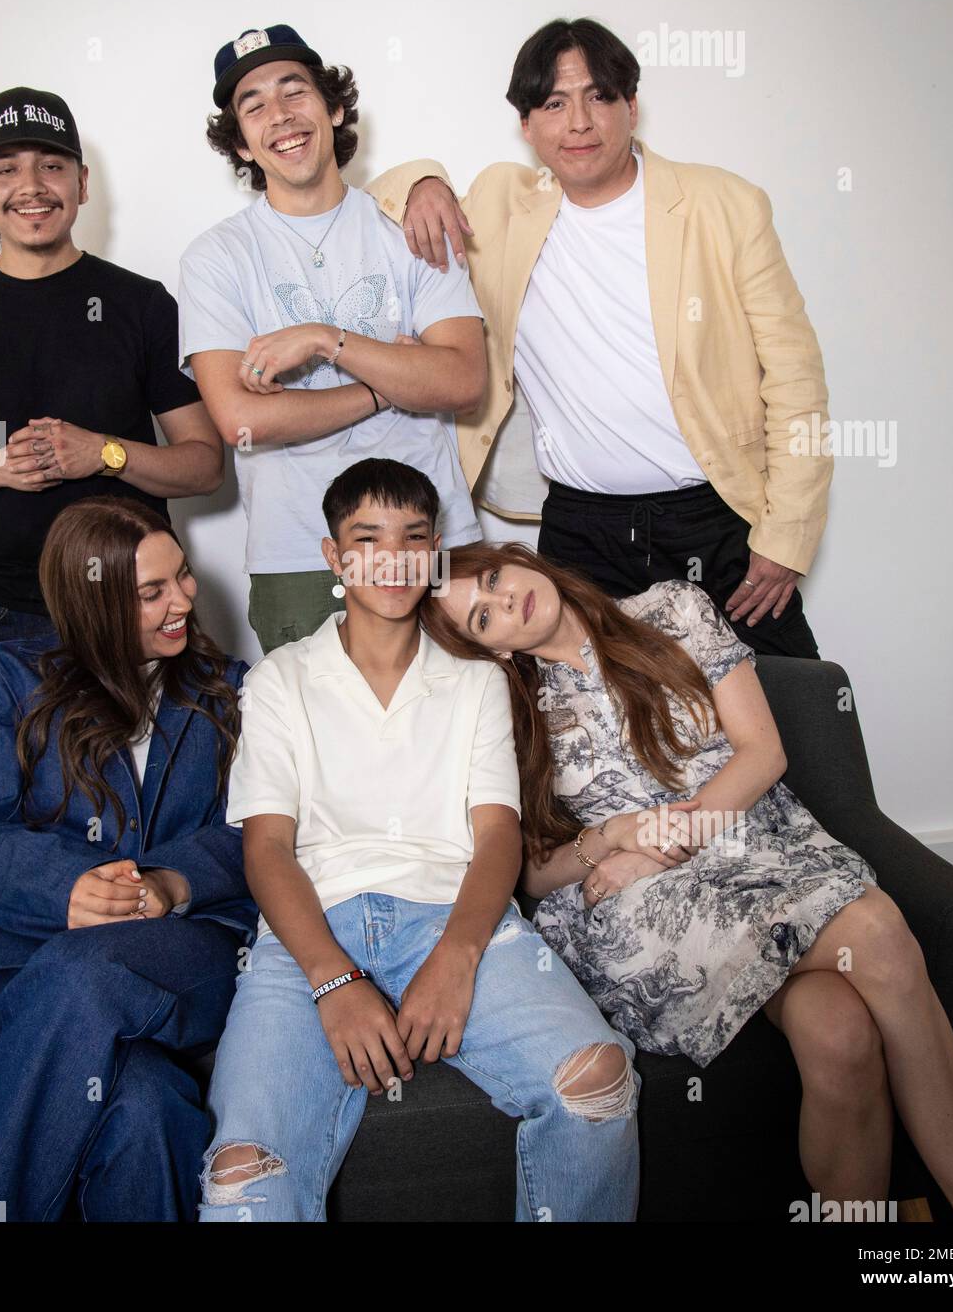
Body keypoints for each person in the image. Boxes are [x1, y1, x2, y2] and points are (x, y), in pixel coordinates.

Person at [420, 541, 953, 1221]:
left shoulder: (672, 609)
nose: (504, 600)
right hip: (648, 915)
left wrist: (658, 845)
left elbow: (764, 751)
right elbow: (530, 870)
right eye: (483, 618)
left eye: (494, 579)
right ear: (494, 651)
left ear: (517, 559)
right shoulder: (513, 714)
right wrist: (615, 839)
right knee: (878, 934)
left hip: (757, 847)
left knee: (840, 1035)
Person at [198, 459, 640, 1221]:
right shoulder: (279, 680)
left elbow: (497, 832)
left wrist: (459, 955)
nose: (392, 559)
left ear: (435, 550)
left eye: (411, 538)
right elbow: (267, 850)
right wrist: (334, 982)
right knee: (244, 1176)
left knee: (598, 1083)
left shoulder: (475, 680)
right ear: (334, 557)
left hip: (452, 911)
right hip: (312, 925)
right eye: (366, 539)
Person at [367, 17, 832, 657]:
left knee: (791, 721)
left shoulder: (723, 205)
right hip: (582, 534)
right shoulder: (503, 207)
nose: (579, 123)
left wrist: (788, 537)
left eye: (599, 96)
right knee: (609, 741)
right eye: (554, 104)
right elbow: (369, 201)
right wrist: (423, 182)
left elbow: (796, 379)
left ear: (631, 107)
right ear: (527, 126)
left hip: (716, 518)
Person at [0, 495, 256, 1220]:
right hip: (30, 968)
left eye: (182, 576)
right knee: (147, 1110)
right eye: (153, 592)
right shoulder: (2, 681)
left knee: (88, 970)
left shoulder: (229, 691)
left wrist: (174, 880)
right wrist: (66, 889)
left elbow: (261, 832)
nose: (183, 600)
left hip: (188, 957)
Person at [0, 85, 225, 656]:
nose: (31, 187)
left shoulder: (141, 306)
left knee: (156, 749)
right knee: (9, 752)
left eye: (51, 166)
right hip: (3, 614)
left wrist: (105, 453)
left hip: (134, 607)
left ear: (81, 183)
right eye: (6, 169)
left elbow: (205, 466)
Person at [180, 26, 485, 655]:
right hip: (297, 551)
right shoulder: (216, 257)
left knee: (464, 733)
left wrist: (326, 340)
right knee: (314, 747)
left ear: (334, 107)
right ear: (240, 141)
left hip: (434, 541)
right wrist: (387, 386)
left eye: (296, 92)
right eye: (254, 105)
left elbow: (460, 380)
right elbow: (242, 419)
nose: (281, 116)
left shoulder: (411, 222)